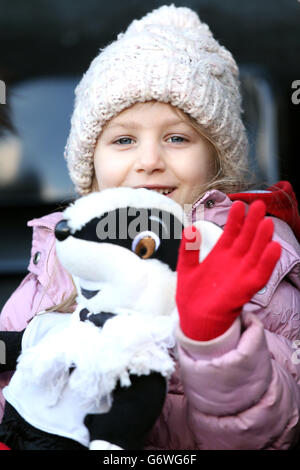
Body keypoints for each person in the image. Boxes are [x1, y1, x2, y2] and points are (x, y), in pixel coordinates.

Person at [0, 4, 300, 450]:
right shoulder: (57, 257)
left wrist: (215, 338)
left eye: (177, 138)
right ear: (91, 165)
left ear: (216, 157)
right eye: (123, 139)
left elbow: (267, 430)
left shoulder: (254, 258)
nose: (149, 160)